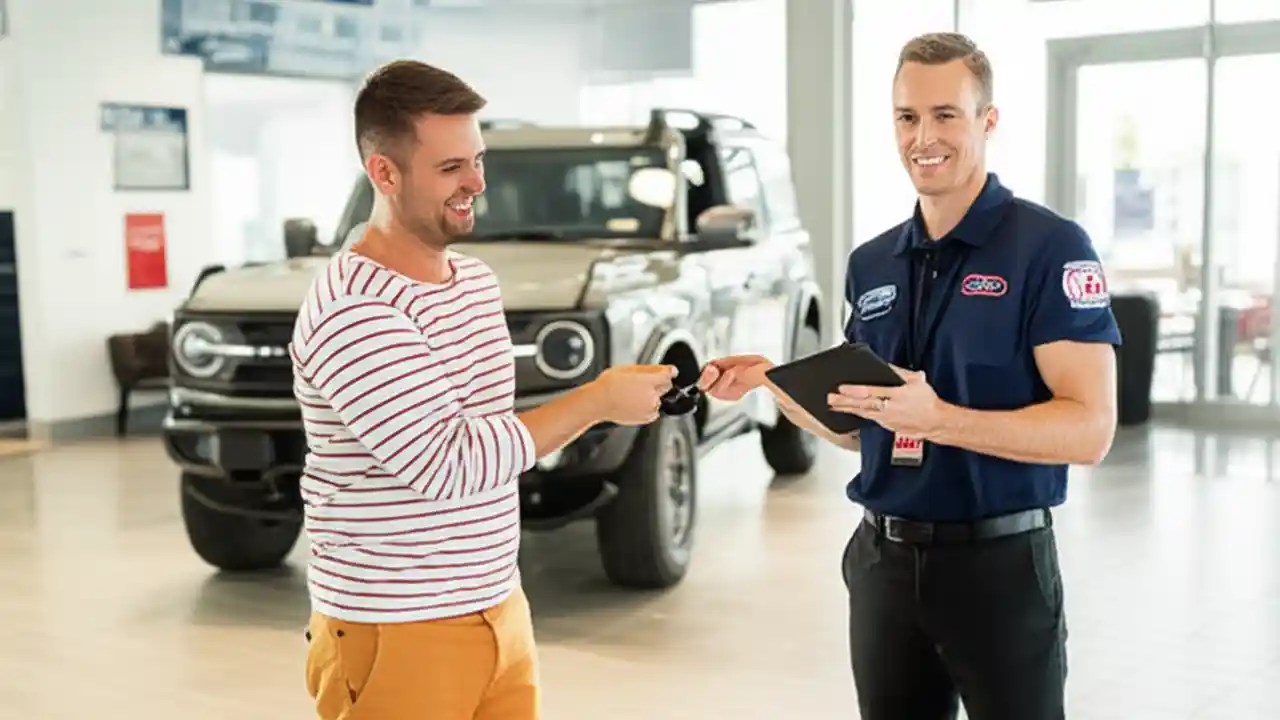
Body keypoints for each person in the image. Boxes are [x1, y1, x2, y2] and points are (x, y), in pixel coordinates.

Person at [698, 32, 1120, 720]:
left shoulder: (1050, 249)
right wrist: (774, 381)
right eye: (907, 117)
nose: (924, 136)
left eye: (946, 114)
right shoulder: (873, 264)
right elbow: (857, 429)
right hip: (883, 565)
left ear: (988, 120)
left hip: (1001, 568)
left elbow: (1091, 429)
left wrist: (942, 419)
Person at [291, 60, 677, 720]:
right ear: (384, 174)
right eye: (450, 168)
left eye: (478, 159)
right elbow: (451, 463)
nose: (477, 183)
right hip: (397, 628)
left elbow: (494, 433)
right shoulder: (351, 310)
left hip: (498, 606)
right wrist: (597, 401)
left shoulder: (473, 283)